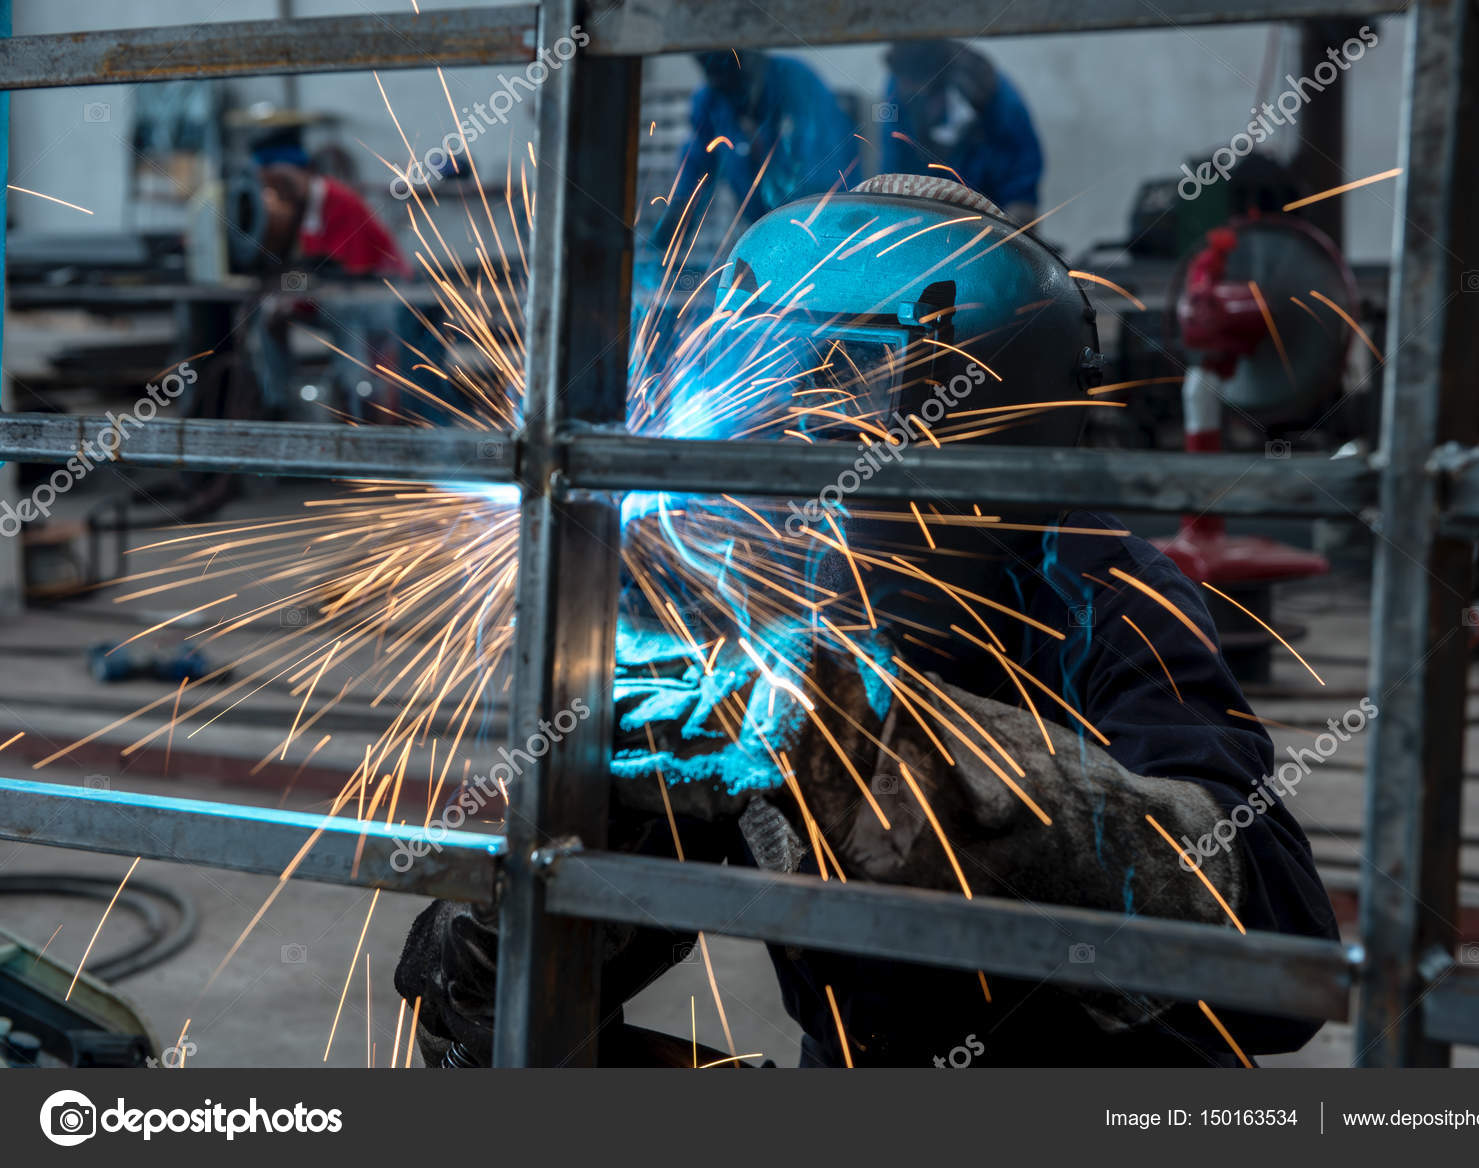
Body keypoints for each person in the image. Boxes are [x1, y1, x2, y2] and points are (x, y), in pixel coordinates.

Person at [397, 175, 1338, 1068]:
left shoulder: (1103, 591)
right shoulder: (743, 600)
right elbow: (517, 959)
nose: (786, 518)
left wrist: (901, 753)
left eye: (832, 441)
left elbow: (1284, 953)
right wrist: (514, 908)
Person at [249, 156, 412, 420]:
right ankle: (278, 401)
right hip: (335, 298)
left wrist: (295, 297)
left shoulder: (339, 201)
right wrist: (287, 302)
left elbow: (343, 276)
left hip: (384, 298)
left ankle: (355, 404)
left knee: (342, 311)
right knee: (269, 318)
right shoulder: (303, 208)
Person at [649, 50, 859, 251]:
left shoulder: (795, 82)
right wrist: (676, 218)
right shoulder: (713, 100)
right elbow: (697, 165)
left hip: (826, 230)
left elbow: (824, 174)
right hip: (766, 234)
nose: (717, 80)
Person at [880, 39, 1044, 224]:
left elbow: (1022, 199)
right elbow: (892, 179)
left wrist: (1011, 228)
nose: (920, 105)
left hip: (991, 217)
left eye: (926, 96)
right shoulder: (900, 85)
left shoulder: (1001, 104)